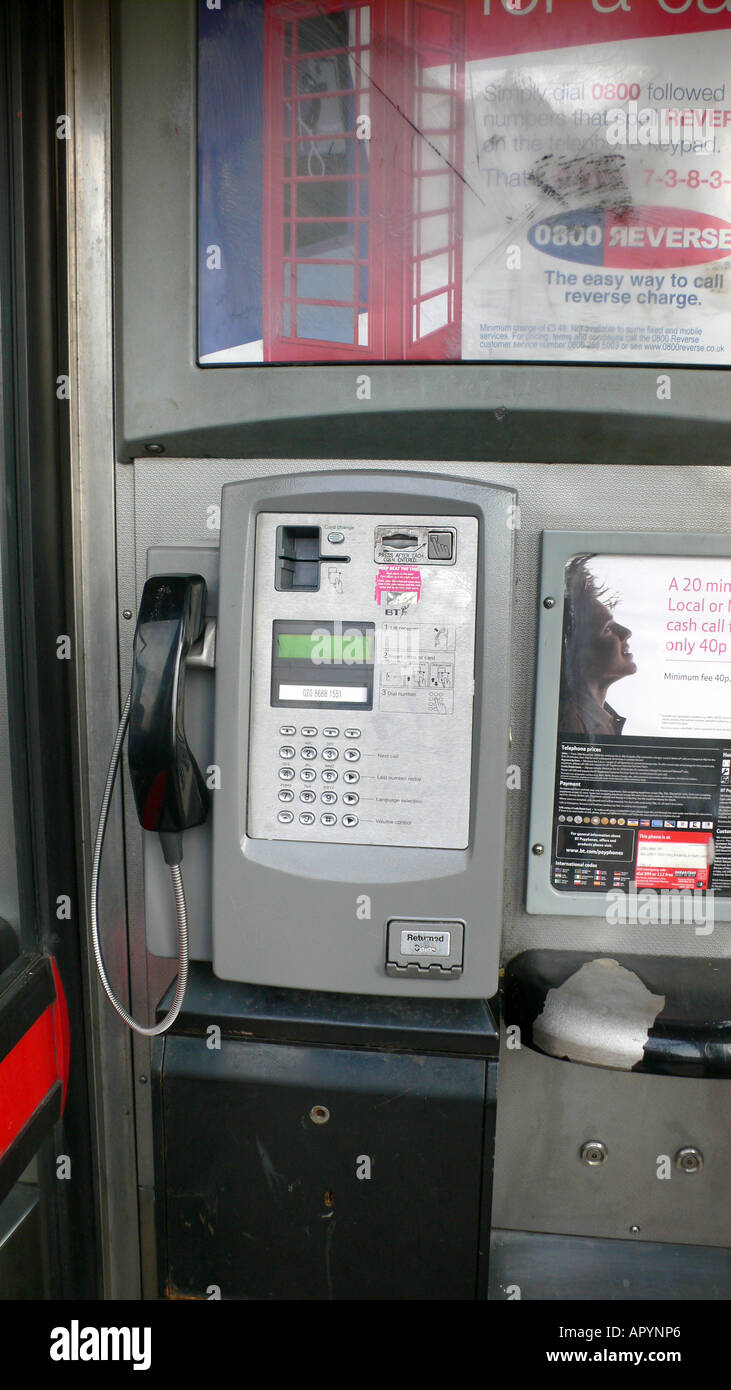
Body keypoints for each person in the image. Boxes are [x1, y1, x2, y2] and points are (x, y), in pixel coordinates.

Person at [558, 556, 637, 736]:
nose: (626, 632)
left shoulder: (600, 719)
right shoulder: (571, 727)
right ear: (579, 651)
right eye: (608, 628)